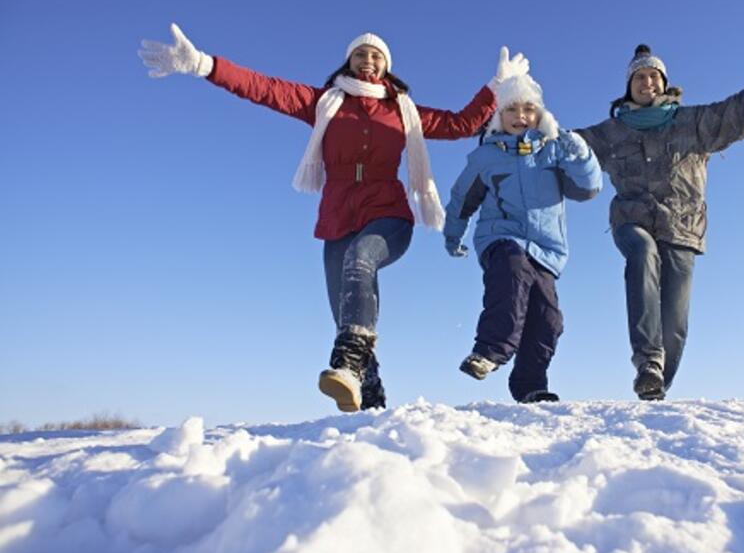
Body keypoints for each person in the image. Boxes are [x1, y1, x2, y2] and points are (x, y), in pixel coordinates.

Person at [138, 23, 529, 412]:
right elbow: (263, 88)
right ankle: (369, 392)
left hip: (387, 213)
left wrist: (496, 86)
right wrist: (204, 64)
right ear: (348, 61)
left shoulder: (401, 110)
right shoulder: (325, 102)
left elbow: (460, 124)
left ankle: (345, 363)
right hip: (337, 217)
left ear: (386, 67)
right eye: (361, 54)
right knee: (345, 313)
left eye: (377, 56)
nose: (368, 61)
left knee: (359, 262)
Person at [575, 40, 744, 400]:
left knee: (676, 322)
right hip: (631, 222)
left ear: (664, 83)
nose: (646, 82)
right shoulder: (608, 134)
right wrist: (512, 130)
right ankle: (648, 362)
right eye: (639, 77)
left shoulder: (695, 123)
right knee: (641, 252)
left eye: (653, 76)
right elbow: (560, 144)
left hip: (682, 227)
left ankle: (656, 387)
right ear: (628, 86)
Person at [443, 72, 602, 403]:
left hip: (546, 248)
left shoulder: (554, 150)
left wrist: (582, 155)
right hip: (500, 238)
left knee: (548, 319)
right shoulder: (486, 156)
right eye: (511, 110)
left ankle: (530, 385)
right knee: (512, 275)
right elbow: (462, 199)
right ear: (499, 116)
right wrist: (453, 234)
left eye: (528, 109)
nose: (520, 117)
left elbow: (588, 189)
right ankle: (489, 351)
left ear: (540, 114)